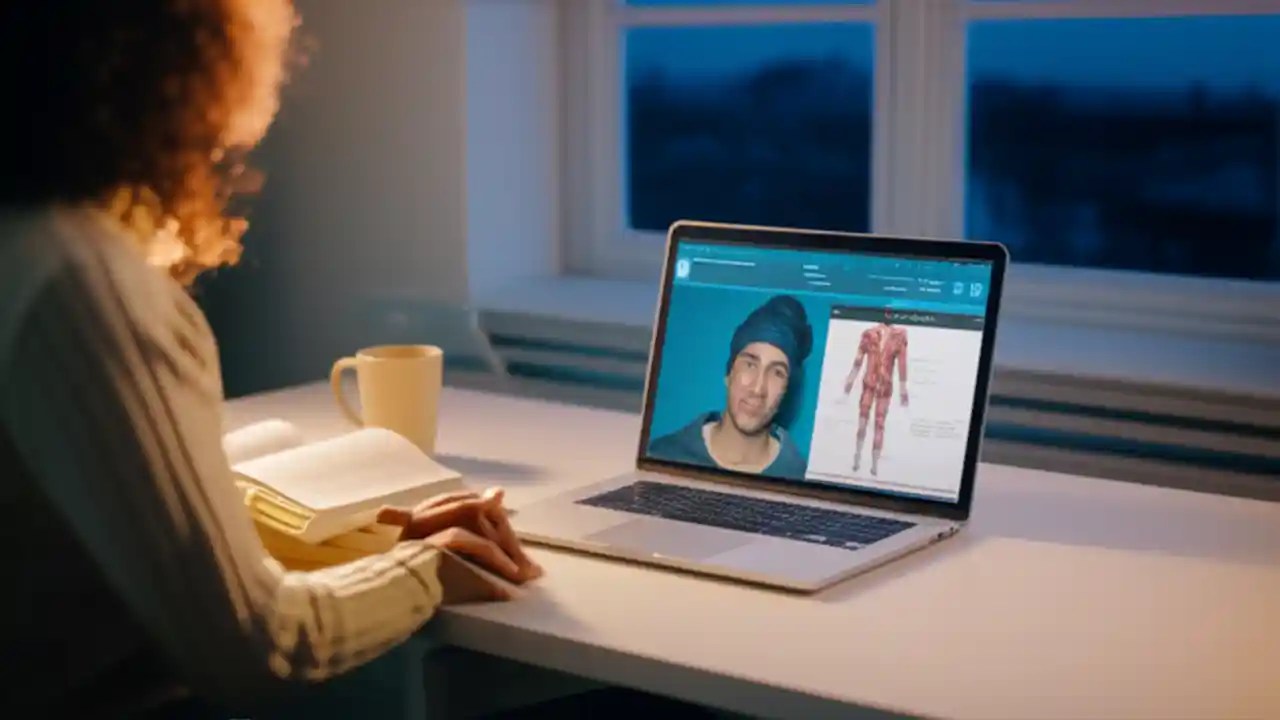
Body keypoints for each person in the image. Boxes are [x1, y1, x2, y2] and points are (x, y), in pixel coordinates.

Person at [0, 1, 540, 716]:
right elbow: (265, 645)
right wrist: (429, 569)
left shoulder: (28, 247)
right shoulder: (85, 286)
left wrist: (371, 548)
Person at [649, 294, 812, 477]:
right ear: (729, 374)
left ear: (786, 390)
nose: (758, 389)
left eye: (777, 373)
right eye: (750, 364)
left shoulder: (800, 477)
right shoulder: (663, 455)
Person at [843, 319, 909, 476]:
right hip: (873, 384)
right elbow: (859, 360)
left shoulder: (895, 336)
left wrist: (851, 379)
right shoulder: (873, 335)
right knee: (869, 422)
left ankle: (868, 461)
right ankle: (862, 458)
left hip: (880, 386)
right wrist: (851, 379)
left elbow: (901, 364)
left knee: (874, 422)